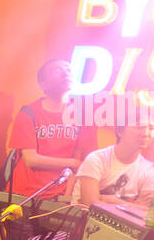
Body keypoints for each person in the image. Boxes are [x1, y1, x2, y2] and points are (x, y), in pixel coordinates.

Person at [8, 59, 93, 198]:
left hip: (60, 195)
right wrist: (70, 162)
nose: (66, 72)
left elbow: (77, 165)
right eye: (57, 70)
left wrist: (66, 197)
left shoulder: (82, 115)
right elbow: (31, 159)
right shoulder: (29, 112)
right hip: (25, 194)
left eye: (68, 69)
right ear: (43, 84)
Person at [73, 118, 154, 207]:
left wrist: (112, 201)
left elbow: (146, 211)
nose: (145, 134)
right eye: (139, 127)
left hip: (121, 220)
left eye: (151, 128)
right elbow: (90, 203)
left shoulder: (149, 170)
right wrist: (132, 206)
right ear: (120, 131)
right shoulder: (97, 159)